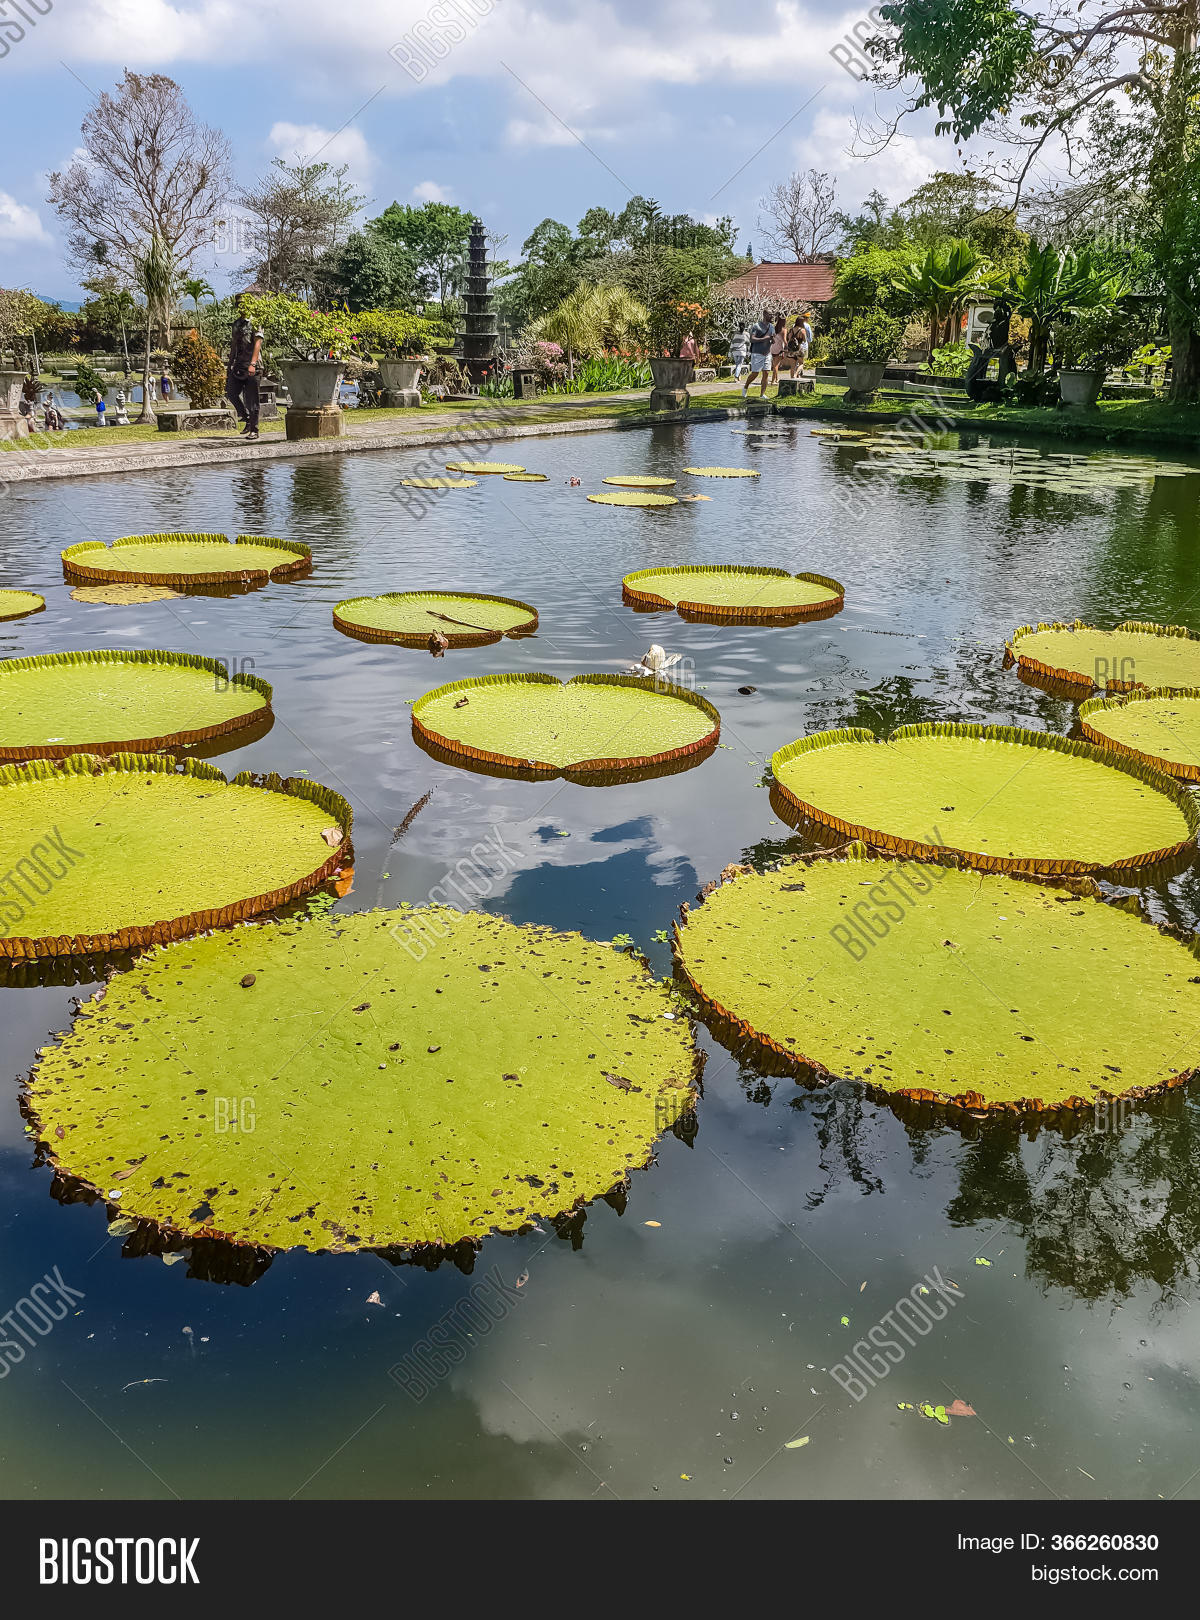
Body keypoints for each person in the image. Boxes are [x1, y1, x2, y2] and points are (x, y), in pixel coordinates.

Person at [226, 308, 264, 440]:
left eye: (243, 303)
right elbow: (234, 345)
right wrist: (230, 363)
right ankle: (246, 418)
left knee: (252, 400)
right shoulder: (236, 324)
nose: (240, 307)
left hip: (253, 366)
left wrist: (253, 364)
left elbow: (258, 343)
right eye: (238, 304)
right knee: (231, 392)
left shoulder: (255, 322)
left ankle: (254, 429)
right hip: (239, 365)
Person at [742, 309, 775, 398]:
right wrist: (765, 338)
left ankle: (762, 394)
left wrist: (772, 339)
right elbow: (752, 339)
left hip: (767, 353)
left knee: (766, 373)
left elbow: (772, 339)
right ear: (764, 315)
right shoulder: (757, 326)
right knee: (755, 373)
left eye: (772, 314)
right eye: (770, 314)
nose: (772, 316)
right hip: (757, 353)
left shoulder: (772, 327)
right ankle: (745, 387)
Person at [768, 312, 788, 387]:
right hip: (779, 348)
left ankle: (776, 379)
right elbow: (785, 340)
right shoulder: (784, 330)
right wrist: (787, 346)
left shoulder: (774, 328)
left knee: (775, 363)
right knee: (776, 365)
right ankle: (773, 381)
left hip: (773, 347)